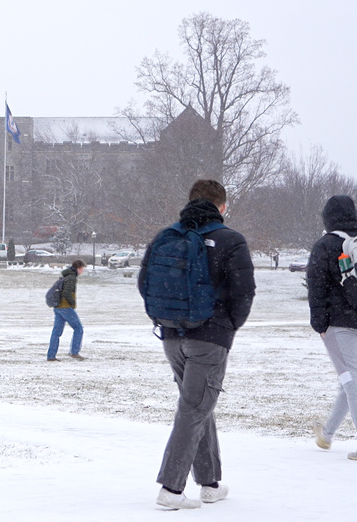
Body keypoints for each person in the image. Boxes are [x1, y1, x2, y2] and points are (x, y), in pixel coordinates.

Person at [139, 179, 255, 510]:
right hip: (210, 338)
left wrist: (172, 317)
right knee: (194, 408)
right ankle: (171, 490)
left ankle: (209, 482)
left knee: (198, 404)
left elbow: (144, 281)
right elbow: (244, 292)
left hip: (172, 336)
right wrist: (228, 326)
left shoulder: (167, 236)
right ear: (222, 207)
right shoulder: (231, 240)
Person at [308, 195, 357, 455]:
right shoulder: (355, 244)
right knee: (347, 380)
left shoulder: (325, 245)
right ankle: (326, 435)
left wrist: (320, 324)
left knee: (351, 380)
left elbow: (316, 288)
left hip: (339, 325)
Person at [47, 259, 87, 361]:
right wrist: (72, 303)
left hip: (58, 307)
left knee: (56, 333)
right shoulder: (71, 278)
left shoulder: (65, 276)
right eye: (82, 268)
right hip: (65, 307)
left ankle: (51, 356)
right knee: (79, 328)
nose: (82, 271)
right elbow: (67, 292)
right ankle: (74, 352)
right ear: (78, 268)